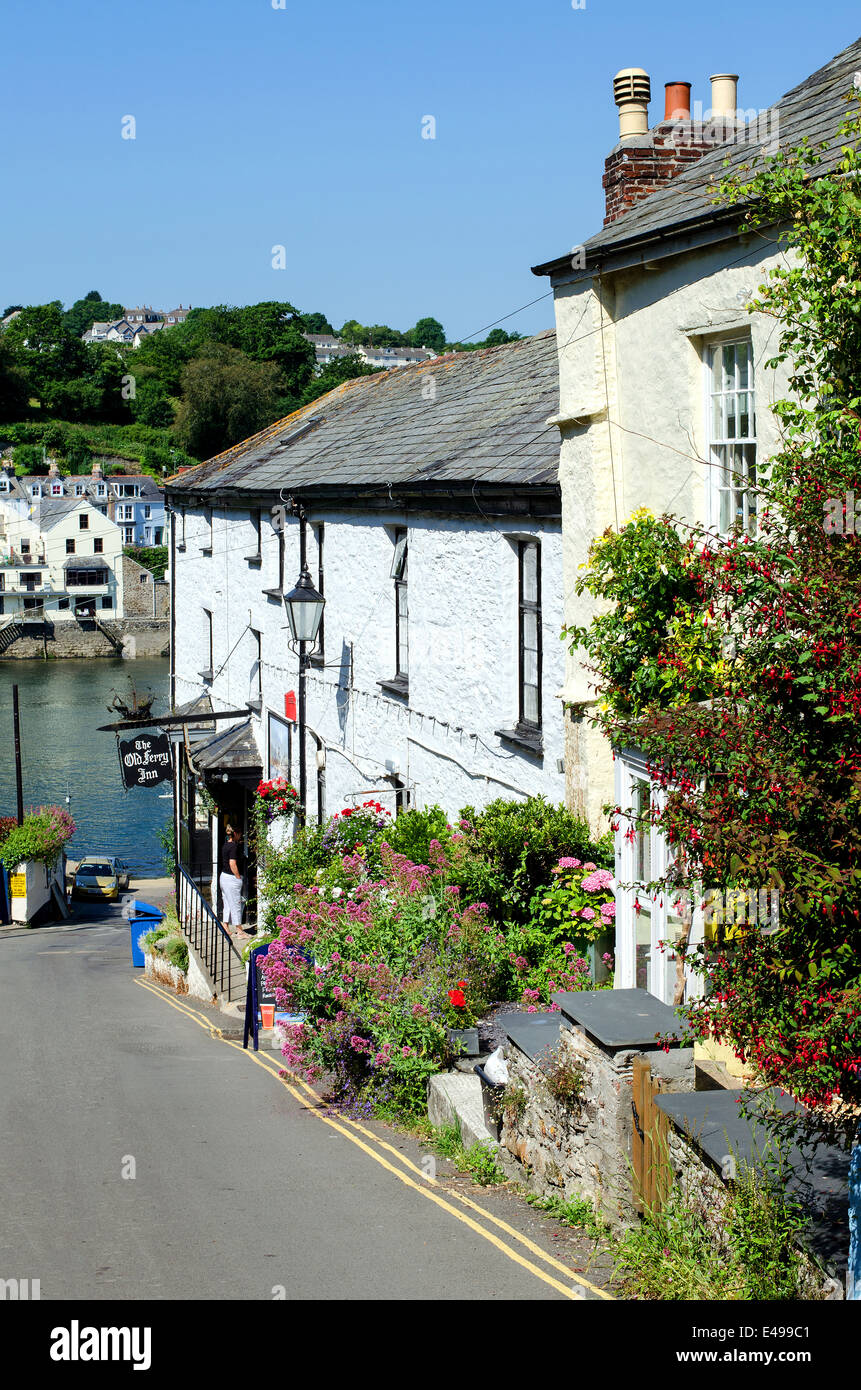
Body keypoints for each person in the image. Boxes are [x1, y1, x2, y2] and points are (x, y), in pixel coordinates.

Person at [220, 824, 247, 940]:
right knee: (236, 904)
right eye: (239, 833)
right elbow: (232, 864)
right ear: (235, 834)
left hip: (223, 877)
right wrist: (238, 877)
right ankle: (240, 931)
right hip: (231, 878)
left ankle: (225, 926)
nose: (240, 836)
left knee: (227, 903)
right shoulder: (234, 847)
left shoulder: (225, 845)